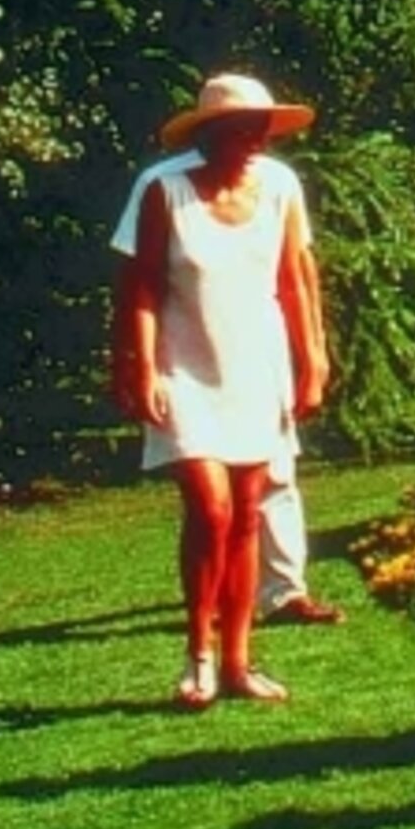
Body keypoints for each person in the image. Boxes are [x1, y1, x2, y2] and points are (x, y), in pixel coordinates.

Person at [112, 72, 331, 707]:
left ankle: (238, 662)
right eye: (241, 130)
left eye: (260, 130)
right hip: (186, 369)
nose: (256, 142)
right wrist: (144, 367)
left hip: (256, 366)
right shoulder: (162, 190)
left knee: (247, 512)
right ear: (208, 135)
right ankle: (198, 655)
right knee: (210, 508)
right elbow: (142, 288)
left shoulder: (280, 187)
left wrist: (311, 359)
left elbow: (296, 277)